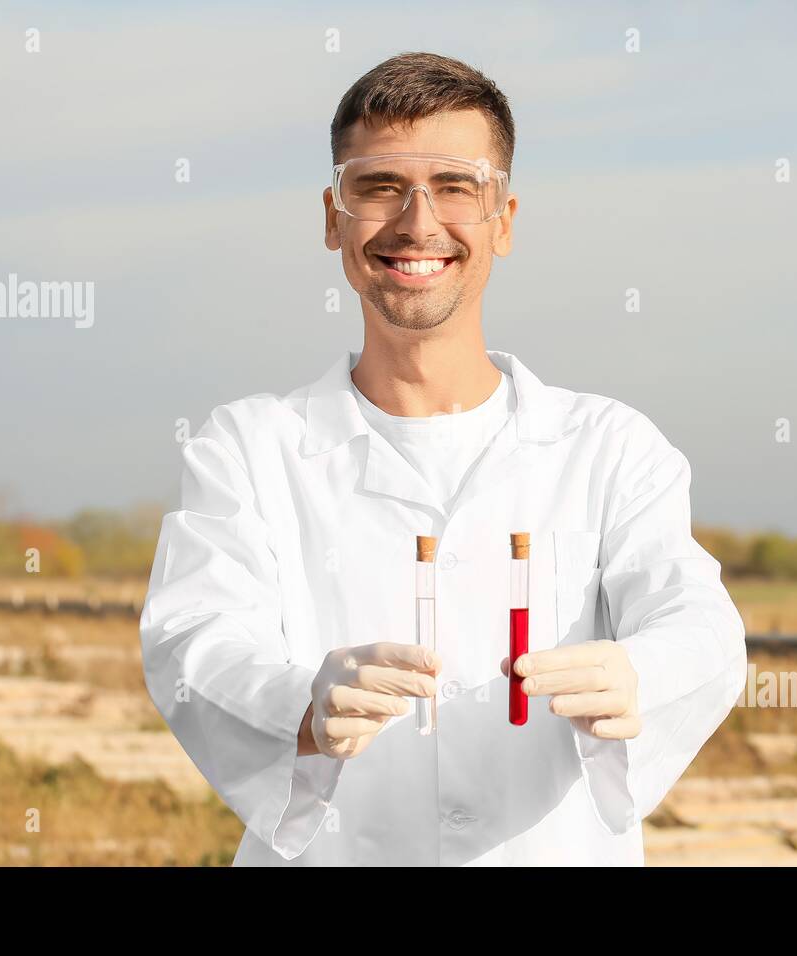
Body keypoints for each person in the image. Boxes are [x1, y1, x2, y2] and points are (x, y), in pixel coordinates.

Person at [139, 52, 747, 866]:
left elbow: (701, 625)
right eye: (378, 185)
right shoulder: (249, 448)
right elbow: (193, 638)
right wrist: (301, 703)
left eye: (457, 186)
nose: (418, 223)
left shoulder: (611, 447)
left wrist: (639, 672)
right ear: (332, 216)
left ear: (504, 217)